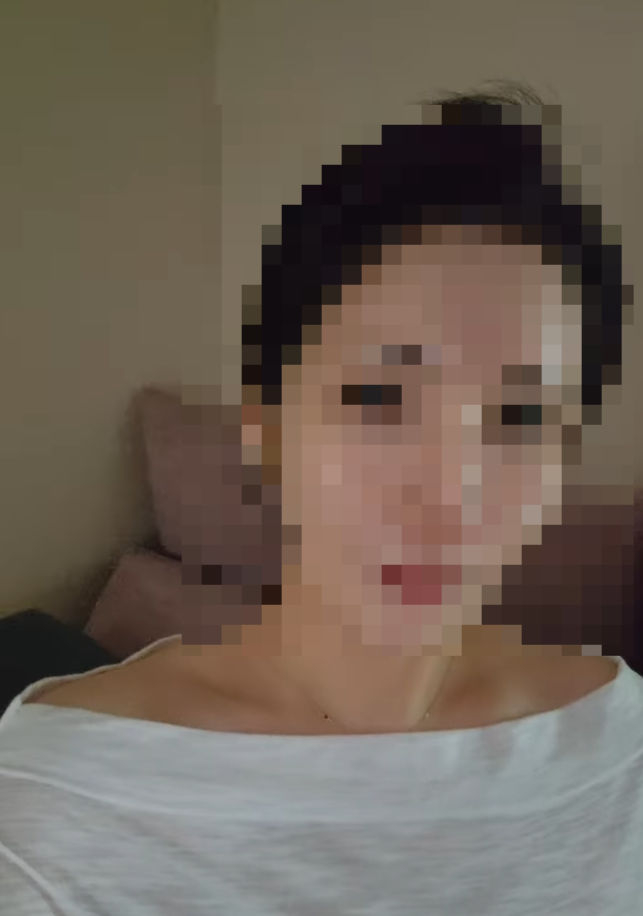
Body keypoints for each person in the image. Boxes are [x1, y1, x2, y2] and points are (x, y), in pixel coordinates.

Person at [1, 83, 641, 915]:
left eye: (520, 416)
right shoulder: (52, 808)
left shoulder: (621, 748)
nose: (449, 493)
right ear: (266, 427)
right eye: (379, 398)